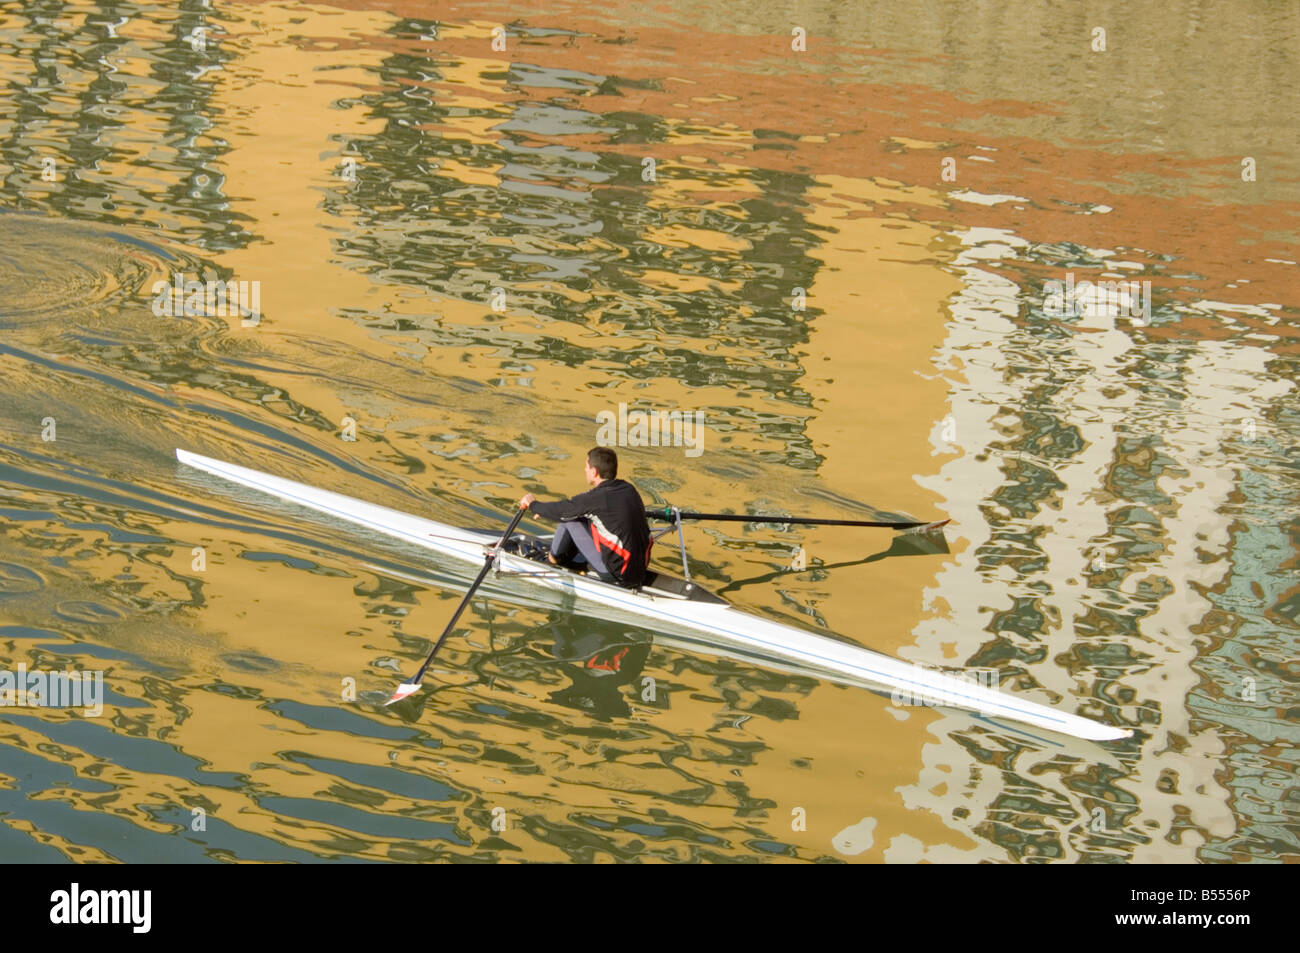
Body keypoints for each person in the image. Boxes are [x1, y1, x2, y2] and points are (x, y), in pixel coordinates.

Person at [518, 447, 651, 589]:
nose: (584, 470)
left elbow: (565, 511)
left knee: (569, 519)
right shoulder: (628, 489)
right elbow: (575, 506)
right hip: (640, 567)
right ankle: (572, 559)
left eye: (586, 466)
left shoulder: (598, 498)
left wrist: (533, 505)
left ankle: (551, 561)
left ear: (594, 472)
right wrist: (547, 511)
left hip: (615, 573)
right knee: (582, 516)